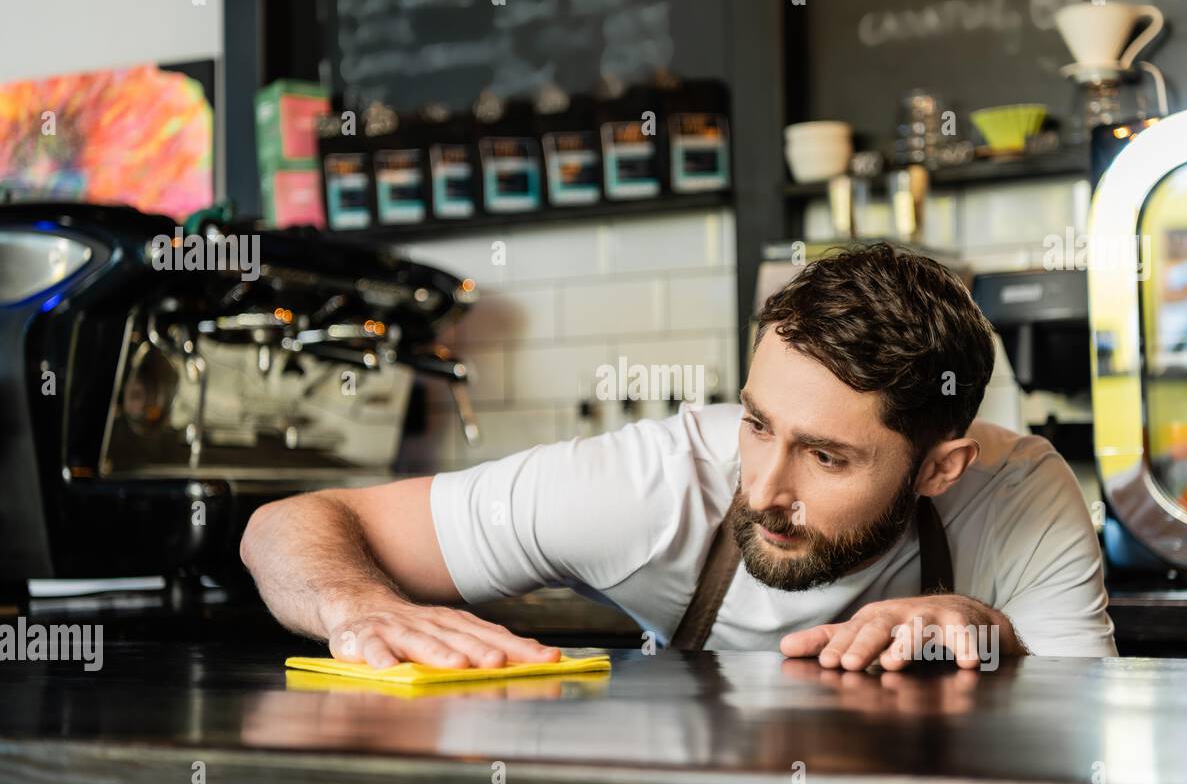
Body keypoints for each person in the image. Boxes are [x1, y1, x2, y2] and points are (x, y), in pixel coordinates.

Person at [241, 244, 1117, 673]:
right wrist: (356, 608)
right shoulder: (649, 488)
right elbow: (288, 524)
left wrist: (995, 642)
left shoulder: (1022, 495)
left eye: (826, 457)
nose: (765, 488)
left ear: (939, 469)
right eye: (757, 424)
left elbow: (1089, 746)